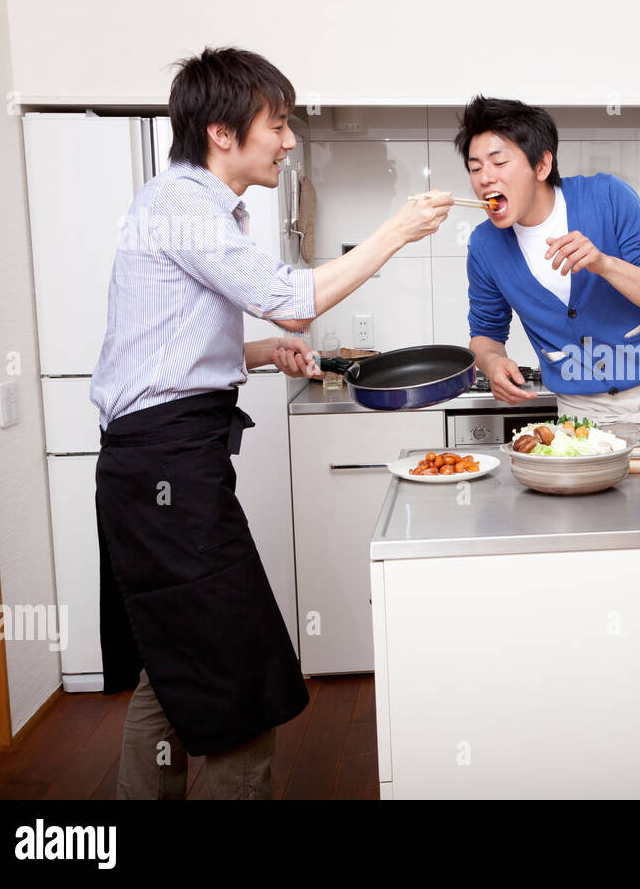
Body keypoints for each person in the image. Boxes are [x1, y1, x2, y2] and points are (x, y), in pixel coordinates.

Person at [90, 47, 451, 799]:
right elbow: (292, 298)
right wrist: (396, 232)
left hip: (157, 465)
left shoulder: (189, 205)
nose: (288, 142)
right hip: (166, 472)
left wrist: (252, 352)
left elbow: (164, 343)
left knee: (175, 669)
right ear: (223, 132)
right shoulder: (184, 206)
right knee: (238, 677)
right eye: (278, 125)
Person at [454, 95, 640, 443]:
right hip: (582, 419)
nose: (484, 179)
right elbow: (485, 336)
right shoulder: (485, 245)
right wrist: (493, 365)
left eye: (499, 163)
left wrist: (604, 264)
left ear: (541, 165)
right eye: (476, 167)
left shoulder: (608, 197)